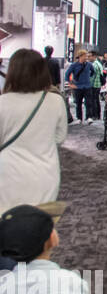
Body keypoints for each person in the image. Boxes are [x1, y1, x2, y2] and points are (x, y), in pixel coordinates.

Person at [0, 49, 68, 214]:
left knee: (8, 227)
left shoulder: (2, 102)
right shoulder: (55, 100)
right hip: (45, 173)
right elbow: (60, 138)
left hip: (7, 173)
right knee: (39, 228)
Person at [64, 51, 95, 124]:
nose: (86, 57)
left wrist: (89, 79)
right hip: (77, 87)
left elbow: (93, 72)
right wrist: (70, 84)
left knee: (88, 103)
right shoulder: (74, 65)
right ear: (80, 56)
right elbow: (67, 74)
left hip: (87, 86)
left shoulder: (89, 64)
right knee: (78, 103)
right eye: (85, 56)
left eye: (87, 56)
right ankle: (79, 118)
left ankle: (89, 117)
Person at [86, 52, 103, 121]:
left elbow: (92, 76)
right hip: (98, 84)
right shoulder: (98, 63)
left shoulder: (94, 64)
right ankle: (98, 115)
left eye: (89, 56)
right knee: (96, 100)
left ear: (94, 56)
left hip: (94, 84)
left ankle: (95, 115)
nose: (88, 58)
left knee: (93, 100)